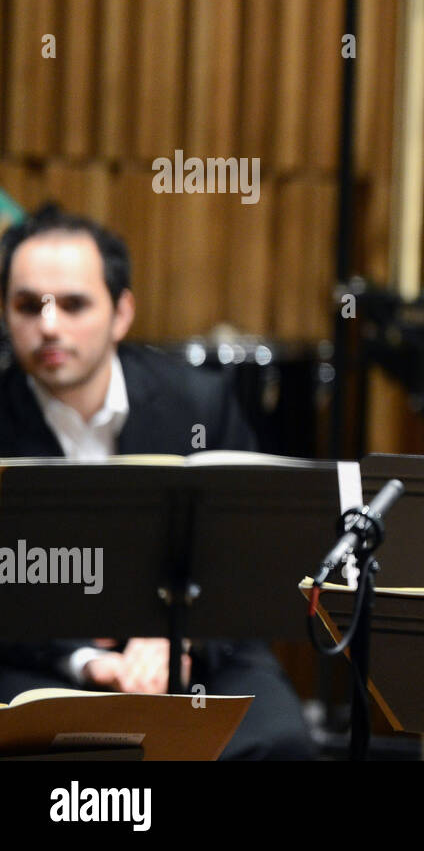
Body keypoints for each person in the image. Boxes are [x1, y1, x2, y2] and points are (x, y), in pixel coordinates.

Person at [0, 205, 316, 760]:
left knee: (279, 740)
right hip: (38, 660)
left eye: (74, 304)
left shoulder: (201, 403)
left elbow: (250, 558)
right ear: (5, 314)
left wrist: (180, 638)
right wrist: (88, 660)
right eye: (29, 306)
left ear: (122, 313)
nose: (49, 325)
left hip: (199, 648)